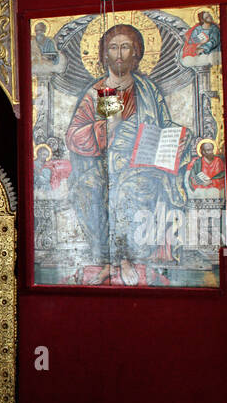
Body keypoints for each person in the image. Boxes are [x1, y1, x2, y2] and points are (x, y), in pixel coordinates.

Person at [66, 23, 190, 273]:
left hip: (142, 165)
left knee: (129, 189)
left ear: (136, 53)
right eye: (113, 48)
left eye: (125, 47)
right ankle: (105, 261)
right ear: (104, 55)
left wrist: (178, 137)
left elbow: (163, 124)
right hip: (104, 165)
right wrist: (105, 128)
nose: (119, 54)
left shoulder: (146, 90)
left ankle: (126, 259)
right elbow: (74, 135)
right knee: (87, 188)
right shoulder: (103, 91)